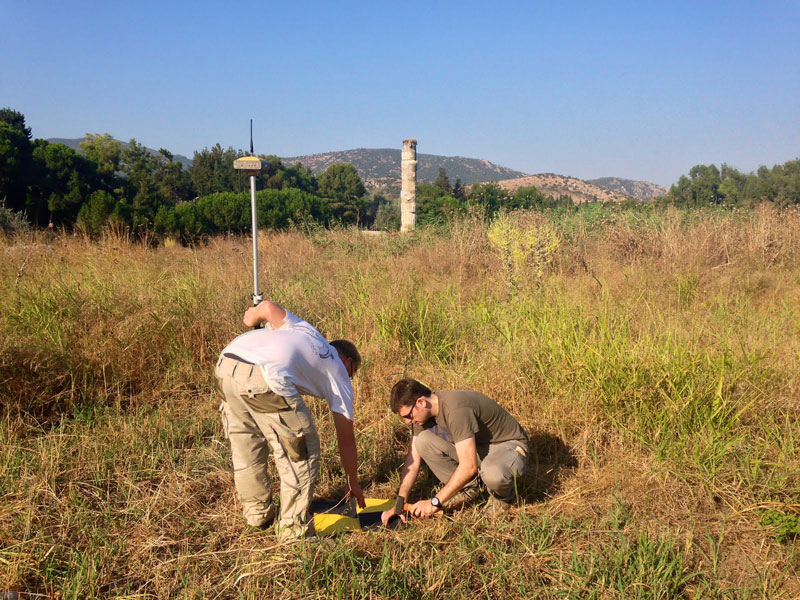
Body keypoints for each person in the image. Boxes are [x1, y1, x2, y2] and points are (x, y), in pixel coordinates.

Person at [214, 299, 365, 542]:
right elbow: (345, 438)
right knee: (301, 453)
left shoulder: (305, 330)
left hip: (227, 365)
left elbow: (266, 308)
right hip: (263, 378)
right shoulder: (338, 371)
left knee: (247, 446)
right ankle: (294, 533)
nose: (349, 379)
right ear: (347, 362)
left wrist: (251, 317)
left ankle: (258, 516)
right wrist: (352, 483)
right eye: (352, 373)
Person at [381, 378, 529, 525]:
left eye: (408, 416)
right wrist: (399, 504)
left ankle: (502, 497)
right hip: (477, 449)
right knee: (422, 441)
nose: (407, 421)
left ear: (421, 402)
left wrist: (434, 502)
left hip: (507, 446)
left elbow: (469, 466)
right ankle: (469, 489)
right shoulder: (422, 416)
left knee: (494, 474)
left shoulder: (456, 409)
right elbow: (412, 460)